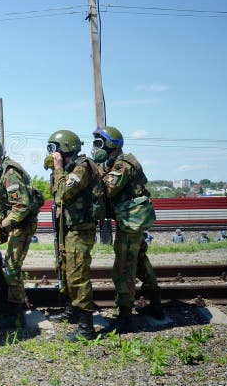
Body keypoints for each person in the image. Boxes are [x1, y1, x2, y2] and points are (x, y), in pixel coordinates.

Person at [92, 126, 163, 333]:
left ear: (111, 144)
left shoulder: (122, 165)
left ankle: (125, 315)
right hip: (131, 219)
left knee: (123, 266)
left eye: (99, 143)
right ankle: (156, 303)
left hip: (131, 221)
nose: (96, 147)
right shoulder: (113, 163)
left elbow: (106, 189)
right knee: (139, 260)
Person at [0, 136, 41, 328]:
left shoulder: (10, 173)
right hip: (8, 221)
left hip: (21, 224)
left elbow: (21, 206)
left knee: (11, 267)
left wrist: (0, 227)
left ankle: (17, 313)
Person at [46, 129, 101, 341]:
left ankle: (86, 328)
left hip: (81, 230)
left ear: (65, 149)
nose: (53, 155)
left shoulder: (82, 167)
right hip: (68, 229)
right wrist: (57, 170)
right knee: (66, 269)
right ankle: (72, 312)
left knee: (77, 274)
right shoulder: (69, 169)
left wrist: (58, 168)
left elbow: (63, 193)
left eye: (55, 150)